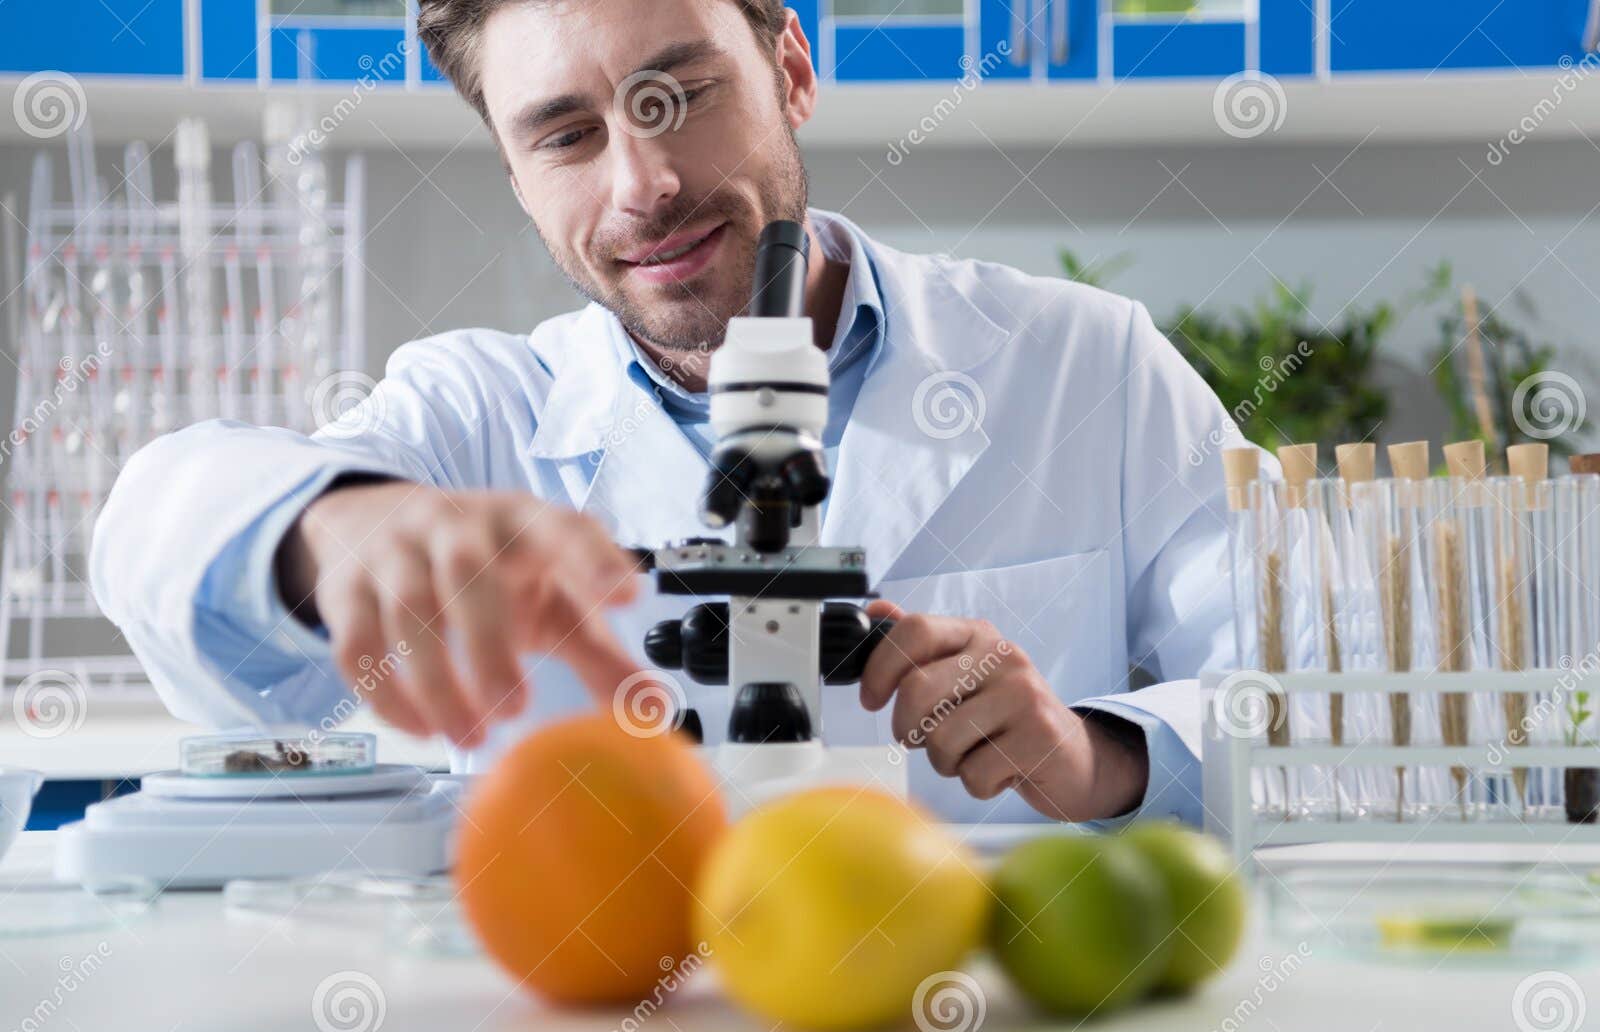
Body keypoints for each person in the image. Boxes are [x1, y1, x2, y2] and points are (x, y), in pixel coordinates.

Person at [91, 0, 1254, 826]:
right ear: (514, 174)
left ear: (790, 69)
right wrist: (334, 529)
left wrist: (1102, 756)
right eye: (564, 135)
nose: (641, 183)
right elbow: (162, 524)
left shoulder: (1081, 362)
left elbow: (1298, 694)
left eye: (681, 94)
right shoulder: (477, 417)